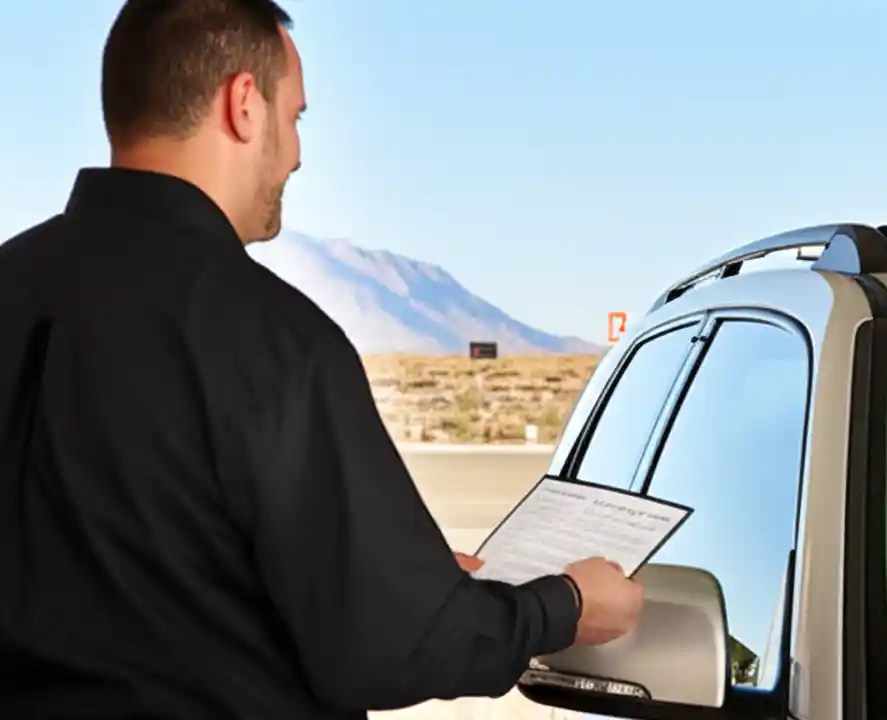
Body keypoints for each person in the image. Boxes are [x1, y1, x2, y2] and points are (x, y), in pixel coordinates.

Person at [0, 1, 642, 717]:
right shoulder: (270, 337)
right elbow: (398, 645)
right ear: (244, 104)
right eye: (296, 116)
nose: (297, 153)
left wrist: (402, 578)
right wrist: (566, 605)